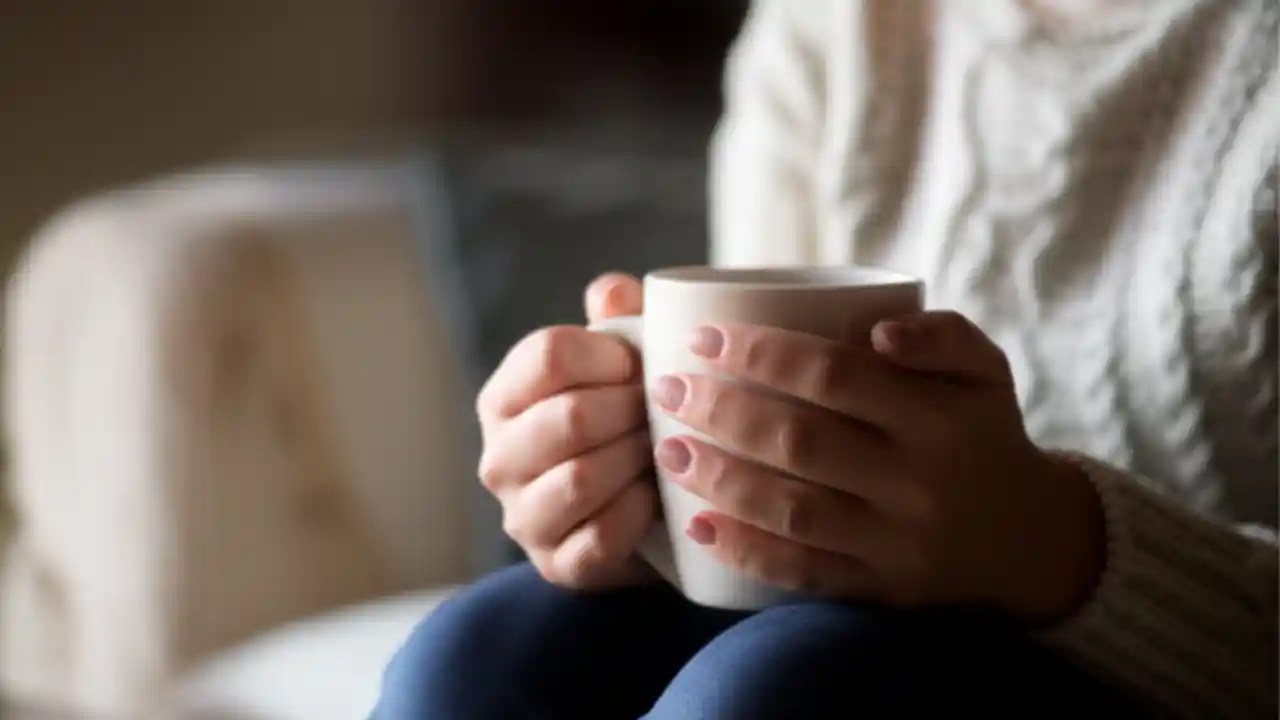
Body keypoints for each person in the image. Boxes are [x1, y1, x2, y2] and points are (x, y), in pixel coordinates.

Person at [375, 1, 1278, 717]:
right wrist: (634, 492)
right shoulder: (840, 26)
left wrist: (1053, 545)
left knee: (777, 692)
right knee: (479, 654)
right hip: (842, 628)